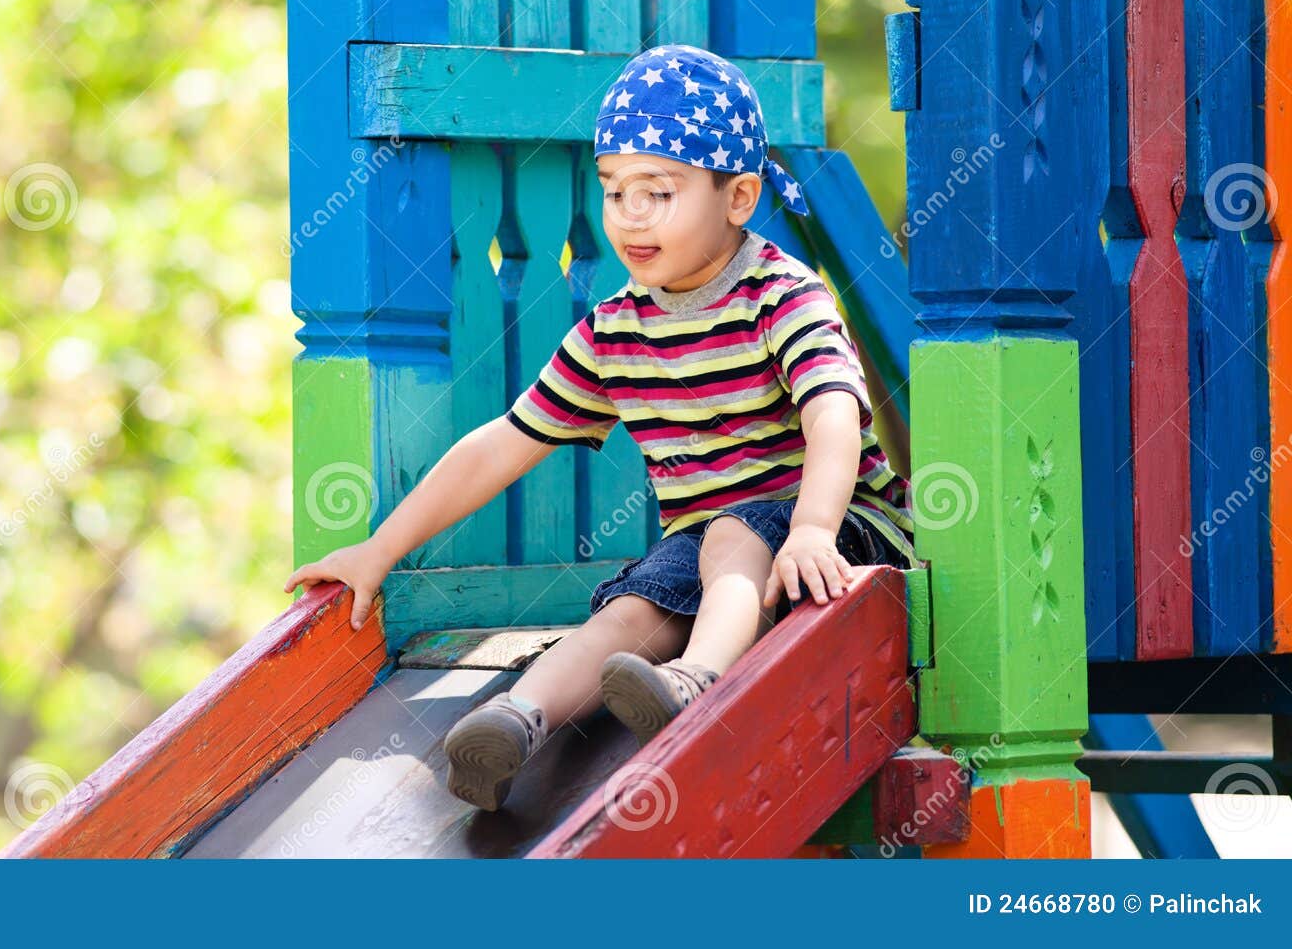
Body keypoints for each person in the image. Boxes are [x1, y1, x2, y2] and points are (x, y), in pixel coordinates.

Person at [283, 43, 915, 812]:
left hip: (842, 537)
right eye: (614, 190)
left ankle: (697, 681)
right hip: (717, 554)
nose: (629, 214)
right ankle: (518, 717)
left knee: (729, 534)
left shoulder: (782, 295)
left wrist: (811, 528)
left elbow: (833, 416)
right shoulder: (616, 330)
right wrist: (379, 549)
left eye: (658, 191)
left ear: (739, 197)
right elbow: (500, 445)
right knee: (634, 607)